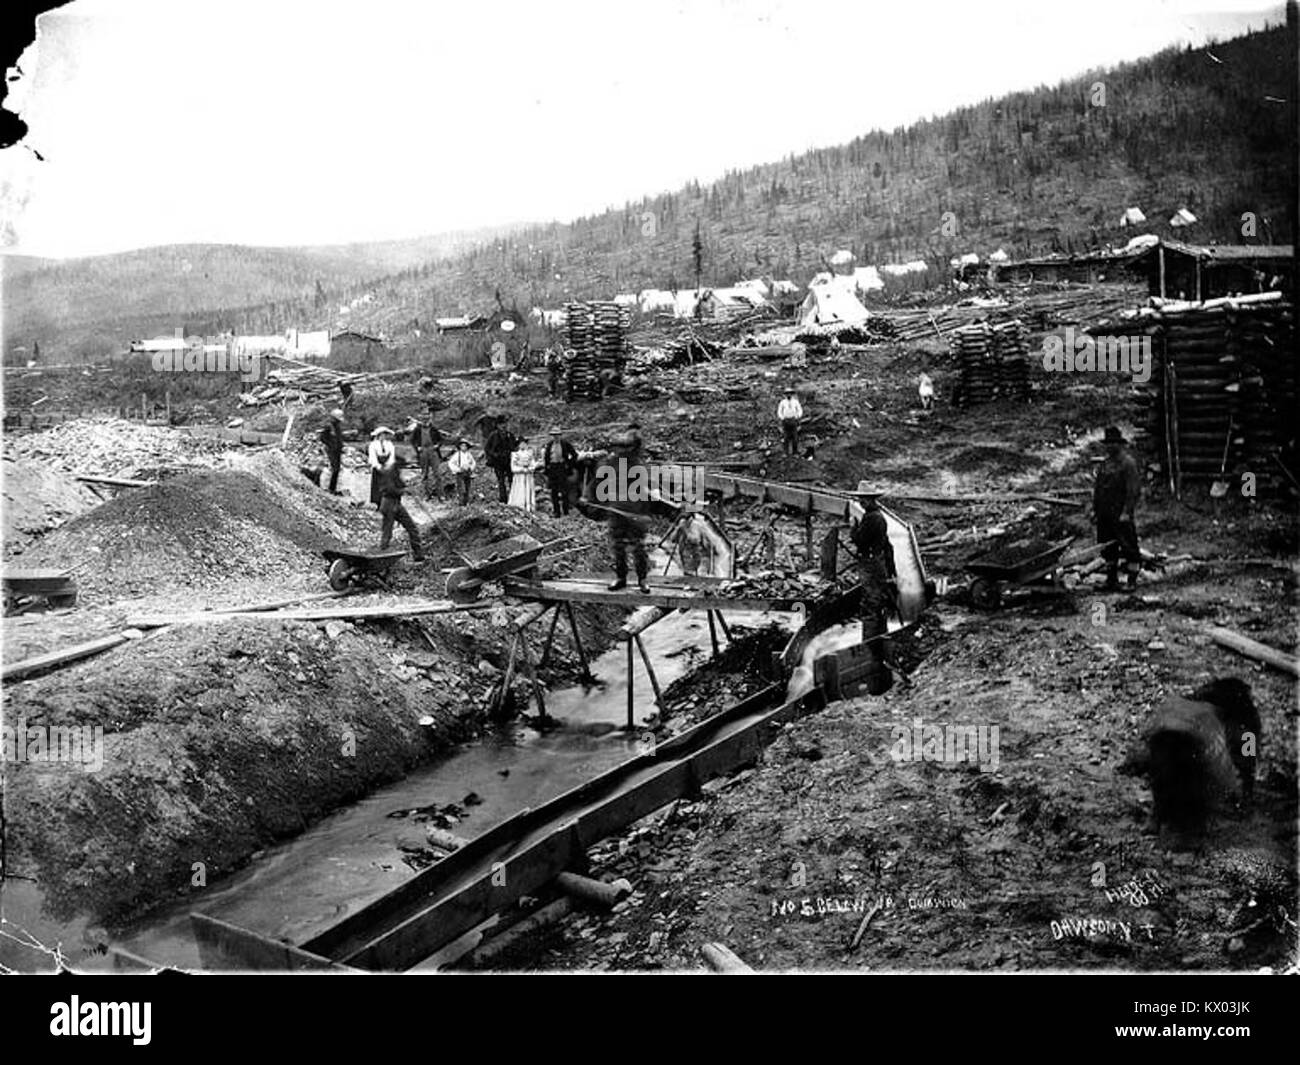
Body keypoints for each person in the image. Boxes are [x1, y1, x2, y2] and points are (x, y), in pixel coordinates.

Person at [585, 430, 652, 593]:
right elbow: (597, 482)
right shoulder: (610, 463)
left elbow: (646, 487)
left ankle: (642, 579)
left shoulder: (638, 465)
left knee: (638, 547)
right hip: (616, 510)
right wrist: (589, 497)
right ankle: (621, 578)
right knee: (618, 546)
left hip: (635, 511)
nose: (622, 451)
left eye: (626, 447)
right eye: (620, 448)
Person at [1094, 425, 1141, 590]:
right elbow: (1098, 489)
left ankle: (1131, 581)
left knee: (1129, 547)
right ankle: (1111, 580)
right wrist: (1096, 511)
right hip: (1105, 515)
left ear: (1120, 444)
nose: (1110, 446)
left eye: (1113, 443)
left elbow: (1133, 490)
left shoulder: (1128, 464)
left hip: (1120, 514)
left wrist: (1127, 512)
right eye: (1107, 443)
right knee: (1108, 548)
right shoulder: (1105, 464)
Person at [376, 453, 424, 561]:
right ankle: (382, 555)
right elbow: (390, 490)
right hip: (388, 504)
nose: (402, 469)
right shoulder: (387, 473)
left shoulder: (395, 472)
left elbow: (400, 484)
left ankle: (419, 555)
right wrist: (404, 491)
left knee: (412, 527)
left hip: (396, 504)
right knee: (387, 531)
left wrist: (408, 488)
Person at [408, 416, 447, 501]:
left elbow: (441, 439)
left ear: (430, 420)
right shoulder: (417, 430)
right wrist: (417, 447)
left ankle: (441, 495)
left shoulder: (434, 429)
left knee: (437, 474)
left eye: (427, 420)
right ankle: (426, 494)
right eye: (423, 420)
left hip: (433, 451)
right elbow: (411, 440)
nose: (425, 422)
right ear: (421, 421)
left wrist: (437, 445)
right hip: (423, 452)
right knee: (424, 474)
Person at [542, 426, 578, 516]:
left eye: (557, 435)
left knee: (564, 490)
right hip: (553, 468)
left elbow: (574, 454)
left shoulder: (565, 444)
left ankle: (566, 511)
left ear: (560, 435)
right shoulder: (549, 445)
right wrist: (547, 467)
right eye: (554, 435)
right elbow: (546, 458)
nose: (555, 437)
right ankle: (556, 511)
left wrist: (569, 464)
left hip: (562, 467)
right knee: (554, 491)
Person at [484, 415, 517, 503]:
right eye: (501, 424)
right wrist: (494, 455)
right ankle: (503, 499)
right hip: (498, 462)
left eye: (505, 424)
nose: (504, 426)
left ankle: (513, 498)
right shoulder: (493, 435)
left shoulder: (510, 435)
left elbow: (515, 447)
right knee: (501, 481)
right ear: (498, 425)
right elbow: (487, 448)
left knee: (512, 480)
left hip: (509, 461)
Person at [367, 426, 397, 509]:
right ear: (378, 435)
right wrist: (378, 467)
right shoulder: (373, 445)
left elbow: (392, 456)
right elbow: (372, 457)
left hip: (387, 467)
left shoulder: (389, 444)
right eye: (382, 434)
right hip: (378, 468)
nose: (383, 436)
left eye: (385, 434)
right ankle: (377, 503)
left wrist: (389, 465)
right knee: (377, 486)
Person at [507, 438, 538, 512]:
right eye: (521, 443)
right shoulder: (515, 454)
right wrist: (521, 469)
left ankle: (529, 506)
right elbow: (513, 467)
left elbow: (533, 464)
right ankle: (519, 505)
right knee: (520, 489)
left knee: (528, 489)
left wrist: (530, 469)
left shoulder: (529, 454)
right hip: (519, 477)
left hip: (528, 476)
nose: (523, 445)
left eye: (524, 443)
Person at [319, 408, 345, 494]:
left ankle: (333, 488)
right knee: (334, 469)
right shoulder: (328, 426)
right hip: (331, 450)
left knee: (337, 469)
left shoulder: (337, 427)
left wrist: (341, 446)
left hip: (337, 450)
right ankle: (329, 488)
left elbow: (339, 437)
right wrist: (330, 445)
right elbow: (322, 438)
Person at [447, 439, 476, 506]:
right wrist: (457, 469)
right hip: (460, 473)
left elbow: (473, 462)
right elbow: (451, 463)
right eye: (462, 446)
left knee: (467, 487)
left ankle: (466, 502)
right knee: (461, 488)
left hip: (467, 472)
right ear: (459, 447)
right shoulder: (457, 455)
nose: (463, 447)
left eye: (465, 446)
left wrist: (471, 468)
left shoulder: (469, 455)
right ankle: (461, 503)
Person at [776, 388, 803, 456]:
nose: (789, 394)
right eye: (787, 393)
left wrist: (797, 416)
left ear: (792, 394)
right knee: (786, 437)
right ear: (785, 394)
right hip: (786, 421)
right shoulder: (782, 402)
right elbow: (779, 411)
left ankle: (795, 452)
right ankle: (786, 452)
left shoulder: (795, 402)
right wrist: (782, 417)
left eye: (790, 393)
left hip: (793, 420)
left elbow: (800, 410)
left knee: (795, 437)